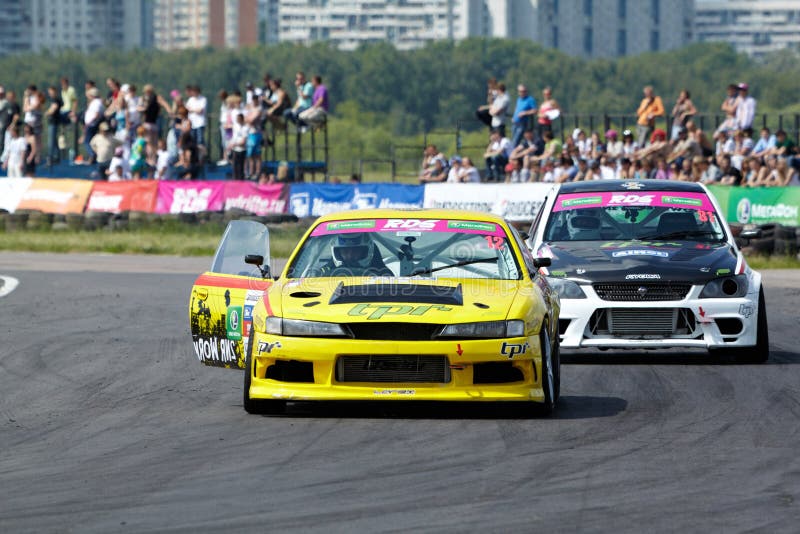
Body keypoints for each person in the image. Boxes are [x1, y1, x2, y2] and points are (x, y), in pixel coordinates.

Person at [315, 233, 393, 277]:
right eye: (345, 251)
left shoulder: (384, 275)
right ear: (337, 252)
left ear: (366, 251)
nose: (350, 255)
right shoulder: (323, 273)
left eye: (355, 251)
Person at [82, 87, 104, 164]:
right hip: (91, 124)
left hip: (92, 125)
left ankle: (93, 155)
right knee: (90, 141)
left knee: (87, 141)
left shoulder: (97, 103)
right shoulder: (95, 102)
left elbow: (96, 115)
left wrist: (88, 123)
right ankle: (92, 156)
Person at [44, 86, 63, 164]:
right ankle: (56, 156)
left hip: (54, 122)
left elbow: (52, 110)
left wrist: (47, 113)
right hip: (52, 122)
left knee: (51, 141)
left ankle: (51, 157)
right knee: (54, 141)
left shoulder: (56, 100)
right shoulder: (54, 100)